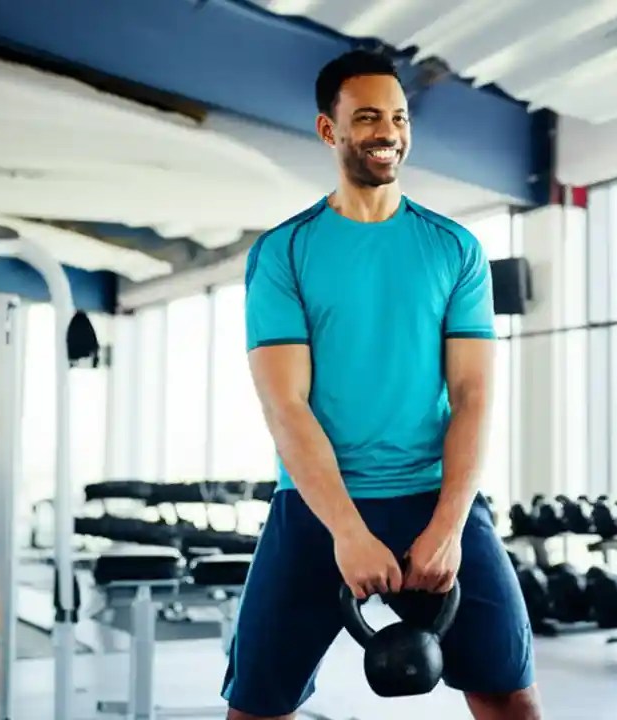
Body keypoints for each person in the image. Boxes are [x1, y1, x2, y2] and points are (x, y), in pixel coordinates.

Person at [223, 49, 542, 720]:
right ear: (327, 129)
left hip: (436, 499)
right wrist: (346, 529)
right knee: (256, 706)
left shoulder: (454, 248)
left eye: (398, 117)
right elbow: (285, 403)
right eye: (366, 117)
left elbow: (474, 395)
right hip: (316, 508)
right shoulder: (283, 252)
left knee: (508, 696)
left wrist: (450, 527)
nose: (387, 133)